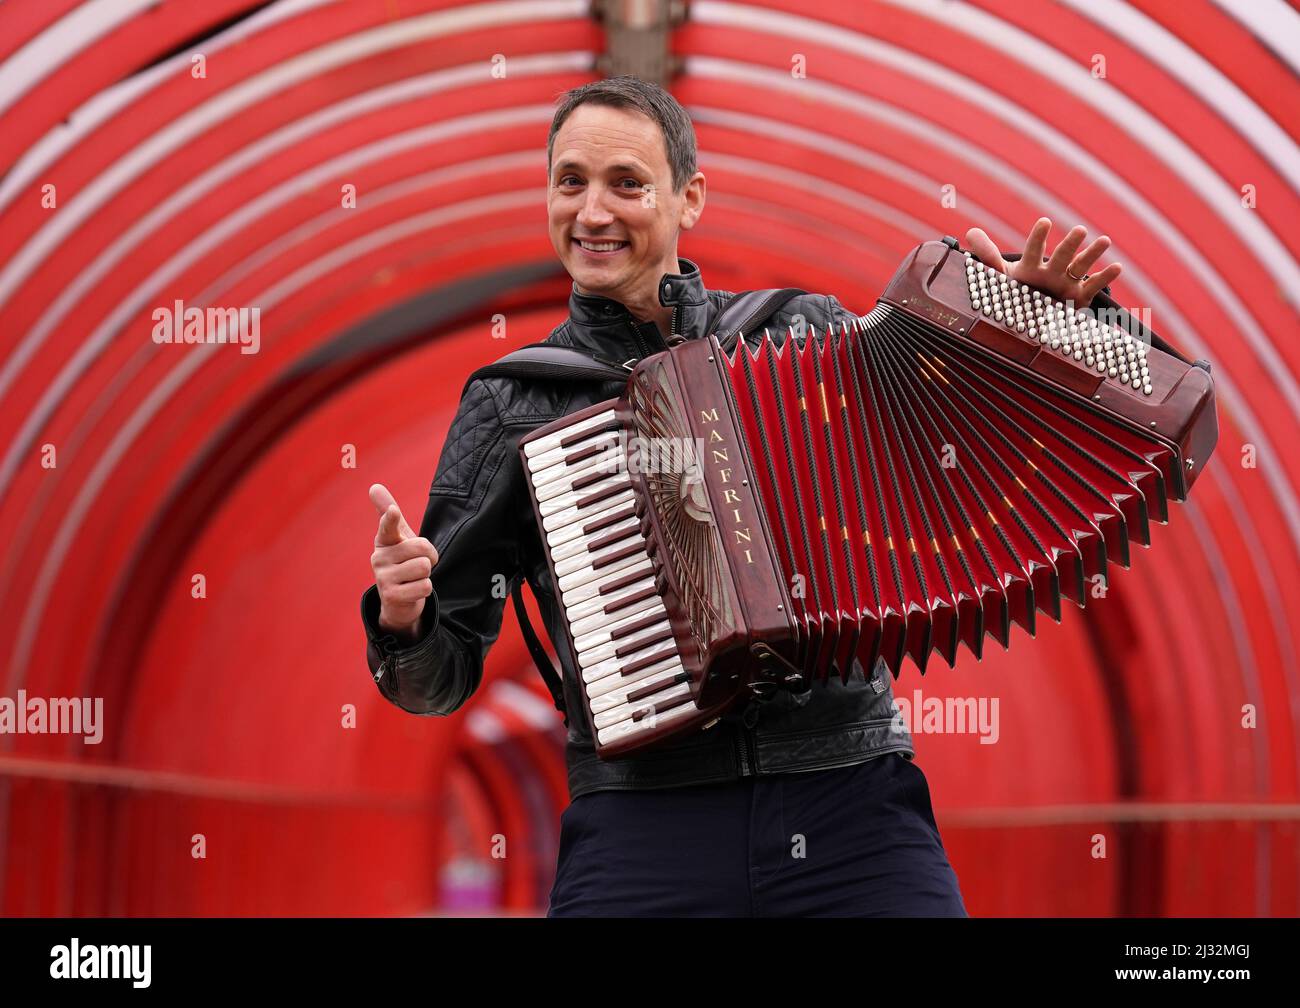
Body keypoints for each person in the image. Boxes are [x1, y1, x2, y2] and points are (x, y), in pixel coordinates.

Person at [359, 76, 1122, 917]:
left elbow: (969, 455)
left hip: (850, 798)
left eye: (626, 183)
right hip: (641, 820)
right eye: (570, 181)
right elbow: (434, 681)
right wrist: (407, 619)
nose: (593, 212)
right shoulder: (512, 402)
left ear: (690, 199)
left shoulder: (799, 332)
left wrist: (1036, 328)